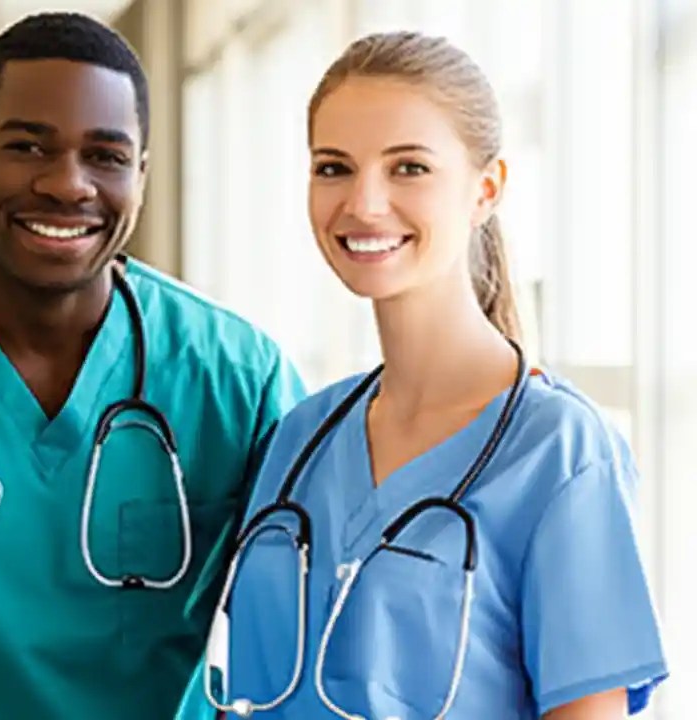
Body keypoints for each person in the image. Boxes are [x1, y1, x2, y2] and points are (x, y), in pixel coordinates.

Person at [0, 11, 305, 719]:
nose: (68, 184)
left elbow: (297, 627)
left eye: (105, 156)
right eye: (28, 147)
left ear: (141, 176)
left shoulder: (237, 380)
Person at [178, 31, 668, 719]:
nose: (364, 203)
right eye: (334, 168)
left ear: (486, 189)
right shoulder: (302, 439)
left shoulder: (559, 451)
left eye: (408, 167)